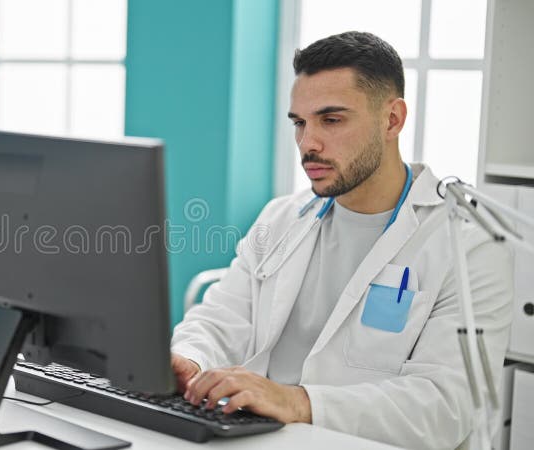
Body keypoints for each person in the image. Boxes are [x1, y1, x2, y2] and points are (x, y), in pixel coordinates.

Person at [170, 32, 513, 449]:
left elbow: (447, 406)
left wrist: (300, 402)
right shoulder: (280, 217)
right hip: (259, 438)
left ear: (392, 120)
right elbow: (220, 321)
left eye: (331, 120)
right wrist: (189, 360)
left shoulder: (469, 245)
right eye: (300, 123)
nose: (308, 143)